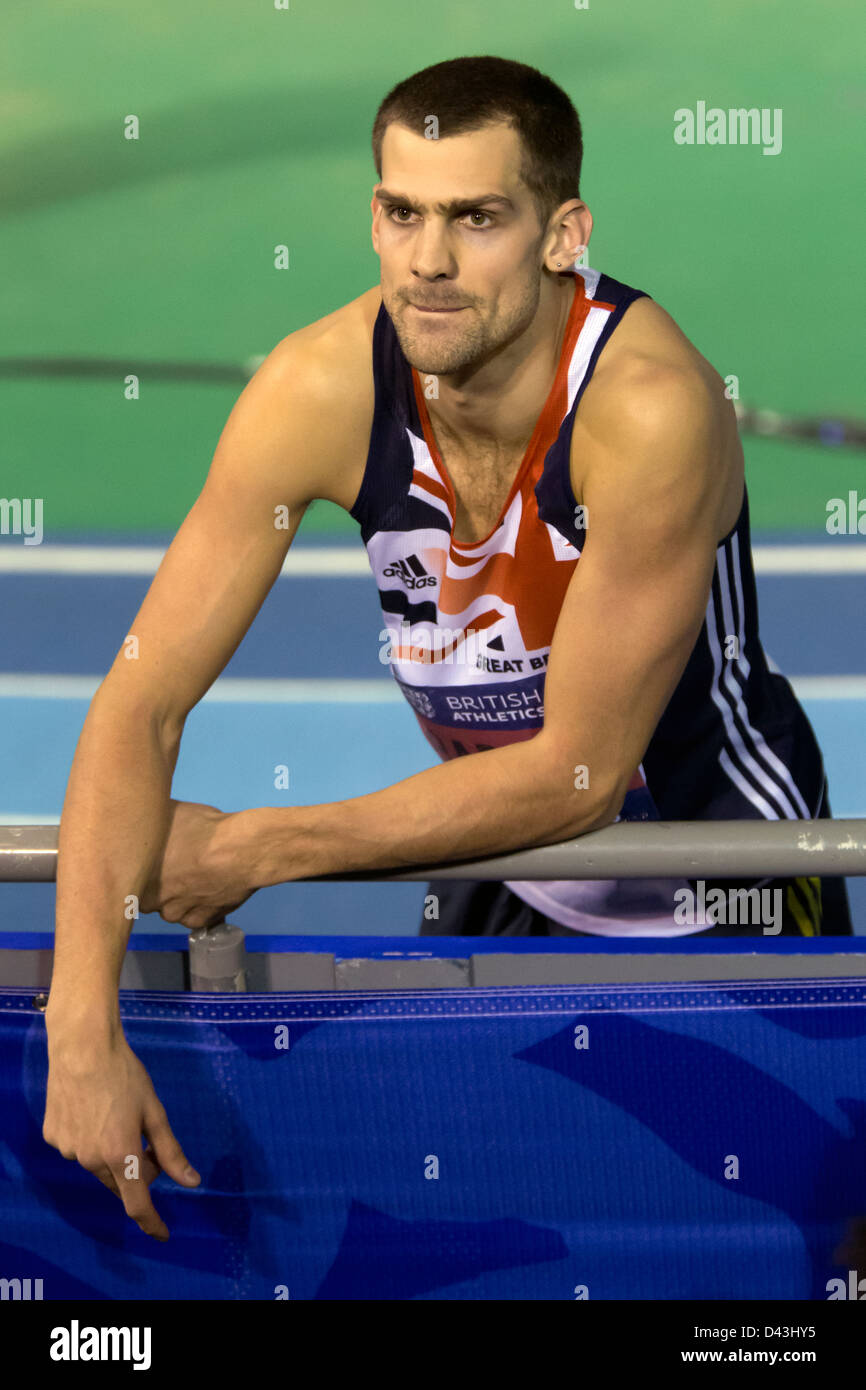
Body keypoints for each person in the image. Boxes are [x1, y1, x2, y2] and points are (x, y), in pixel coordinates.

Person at [42, 55, 851, 1242]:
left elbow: (577, 774)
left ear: (560, 232)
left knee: (770, 1240)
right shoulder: (316, 389)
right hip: (504, 855)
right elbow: (140, 705)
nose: (427, 260)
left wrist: (262, 843)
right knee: (483, 1209)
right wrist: (79, 1025)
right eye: (401, 211)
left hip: (714, 863)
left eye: (477, 217)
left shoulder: (646, 407)